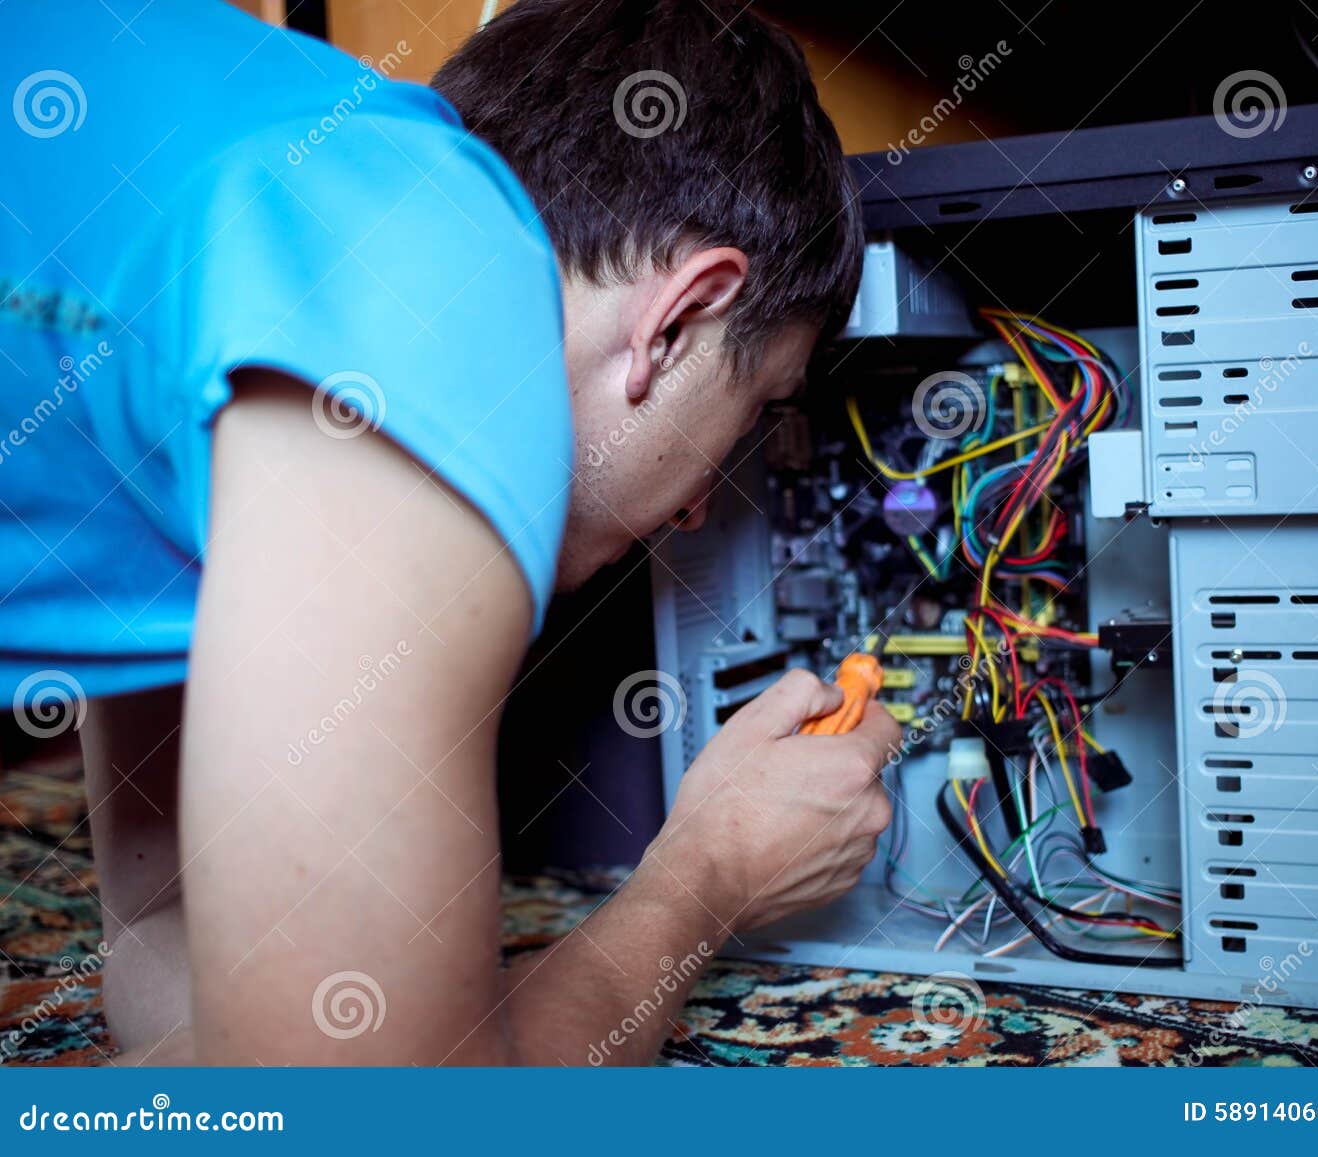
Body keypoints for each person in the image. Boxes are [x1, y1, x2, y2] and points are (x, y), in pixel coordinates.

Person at [0, 0, 899, 1065]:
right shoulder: (430, 281)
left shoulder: (299, 230)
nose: (702, 506)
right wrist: (701, 879)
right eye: (756, 408)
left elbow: (166, 970)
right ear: (679, 316)